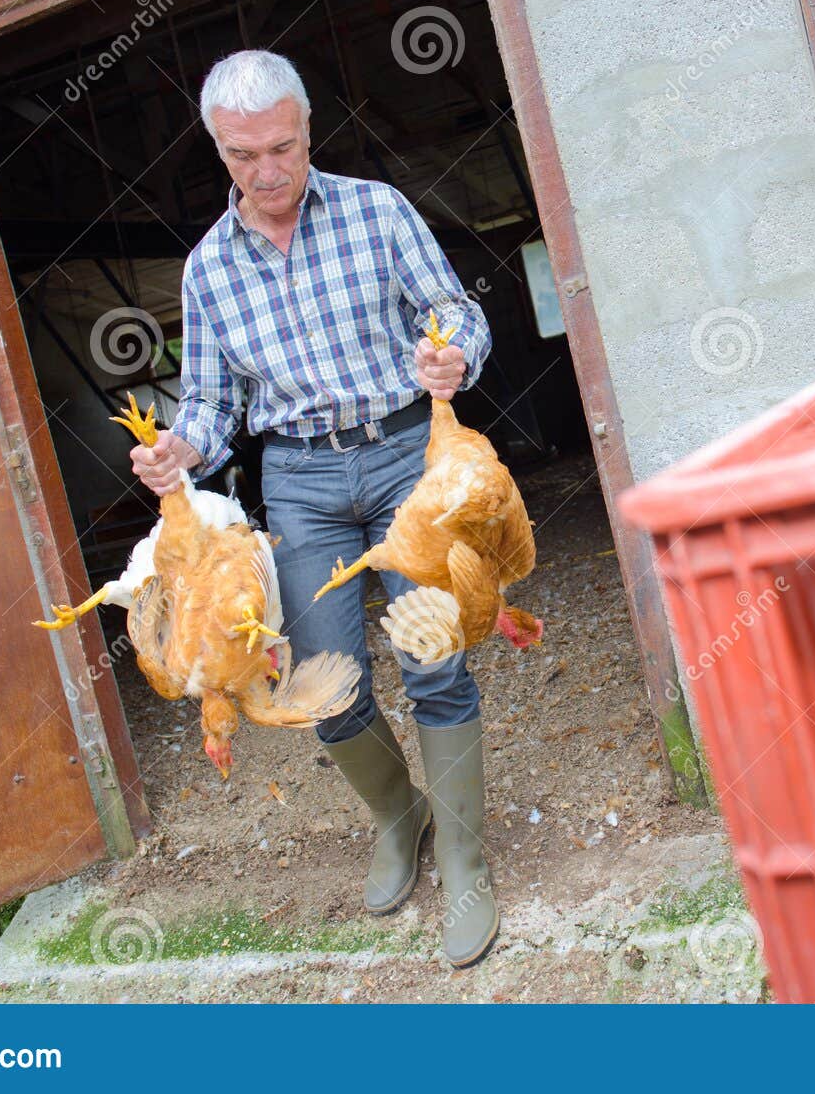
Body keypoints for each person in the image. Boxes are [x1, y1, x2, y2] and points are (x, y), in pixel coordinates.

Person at [129, 49, 498, 968]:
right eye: (243, 156)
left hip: (406, 448)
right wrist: (181, 447)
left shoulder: (377, 210)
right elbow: (213, 404)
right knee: (322, 689)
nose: (267, 171)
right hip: (297, 478)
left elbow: (452, 309)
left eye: (282, 148)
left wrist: (453, 355)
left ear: (306, 128)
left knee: (434, 663)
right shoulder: (209, 268)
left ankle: (463, 853)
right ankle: (399, 815)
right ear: (220, 151)